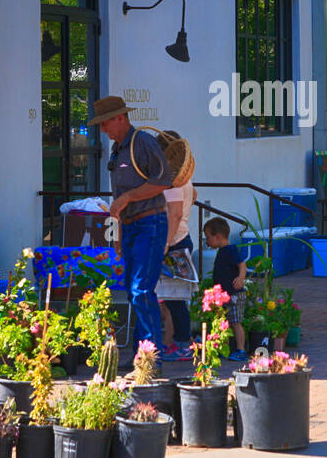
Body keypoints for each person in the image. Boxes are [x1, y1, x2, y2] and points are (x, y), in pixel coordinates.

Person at [89, 95, 172, 363]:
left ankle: (151, 358)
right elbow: (120, 197)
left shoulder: (143, 142)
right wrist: (118, 236)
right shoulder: (117, 149)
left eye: (104, 123)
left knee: (140, 289)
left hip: (150, 223)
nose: (102, 130)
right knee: (133, 289)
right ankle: (142, 353)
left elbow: (163, 182)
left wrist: (127, 198)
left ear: (120, 118)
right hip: (131, 226)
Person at [161, 134, 196, 362]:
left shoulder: (174, 179)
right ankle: (180, 342)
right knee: (175, 298)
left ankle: (184, 344)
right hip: (182, 238)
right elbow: (194, 195)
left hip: (175, 242)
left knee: (175, 299)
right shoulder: (185, 178)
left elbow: (174, 214)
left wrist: (165, 242)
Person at [203, 217, 248, 361]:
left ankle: (241, 350)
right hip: (224, 294)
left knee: (236, 322)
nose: (207, 241)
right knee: (224, 322)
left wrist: (240, 278)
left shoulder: (230, 250)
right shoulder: (222, 251)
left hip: (234, 294)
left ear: (218, 236)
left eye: (208, 237)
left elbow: (242, 265)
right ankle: (225, 348)